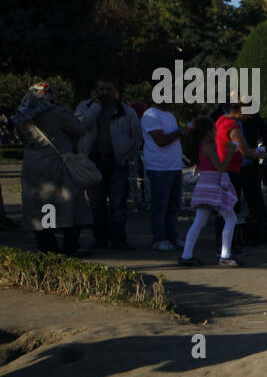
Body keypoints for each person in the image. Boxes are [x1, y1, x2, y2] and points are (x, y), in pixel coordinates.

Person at [14, 82, 92, 256]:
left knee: (41, 206)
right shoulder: (56, 112)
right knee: (71, 203)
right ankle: (70, 246)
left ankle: (47, 247)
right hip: (56, 162)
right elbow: (78, 129)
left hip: (32, 165)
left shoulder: (21, 115)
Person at [76, 78, 143, 250]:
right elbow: (79, 127)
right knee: (96, 204)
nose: (104, 92)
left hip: (117, 161)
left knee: (118, 203)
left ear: (115, 90)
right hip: (93, 161)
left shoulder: (125, 111)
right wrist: (96, 107)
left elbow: (136, 137)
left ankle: (119, 239)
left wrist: (126, 155)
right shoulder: (85, 107)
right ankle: (100, 238)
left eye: (108, 89)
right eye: (101, 89)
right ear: (95, 90)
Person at [179, 116, 241, 267]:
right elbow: (220, 167)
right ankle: (225, 255)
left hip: (204, 186)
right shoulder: (208, 147)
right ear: (208, 131)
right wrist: (230, 153)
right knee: (230, 218)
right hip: (214, 186)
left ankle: (186, 255)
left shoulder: (200, 146)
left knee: (199, 221)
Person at [140, 99, 184, 251]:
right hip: (159, 167)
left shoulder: (170, 115)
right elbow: (161, 140)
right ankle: (159, 238)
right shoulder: (150, 115)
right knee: (160, 205)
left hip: (175, 166)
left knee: (174, 205)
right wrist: (180, 132)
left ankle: (172, 236)